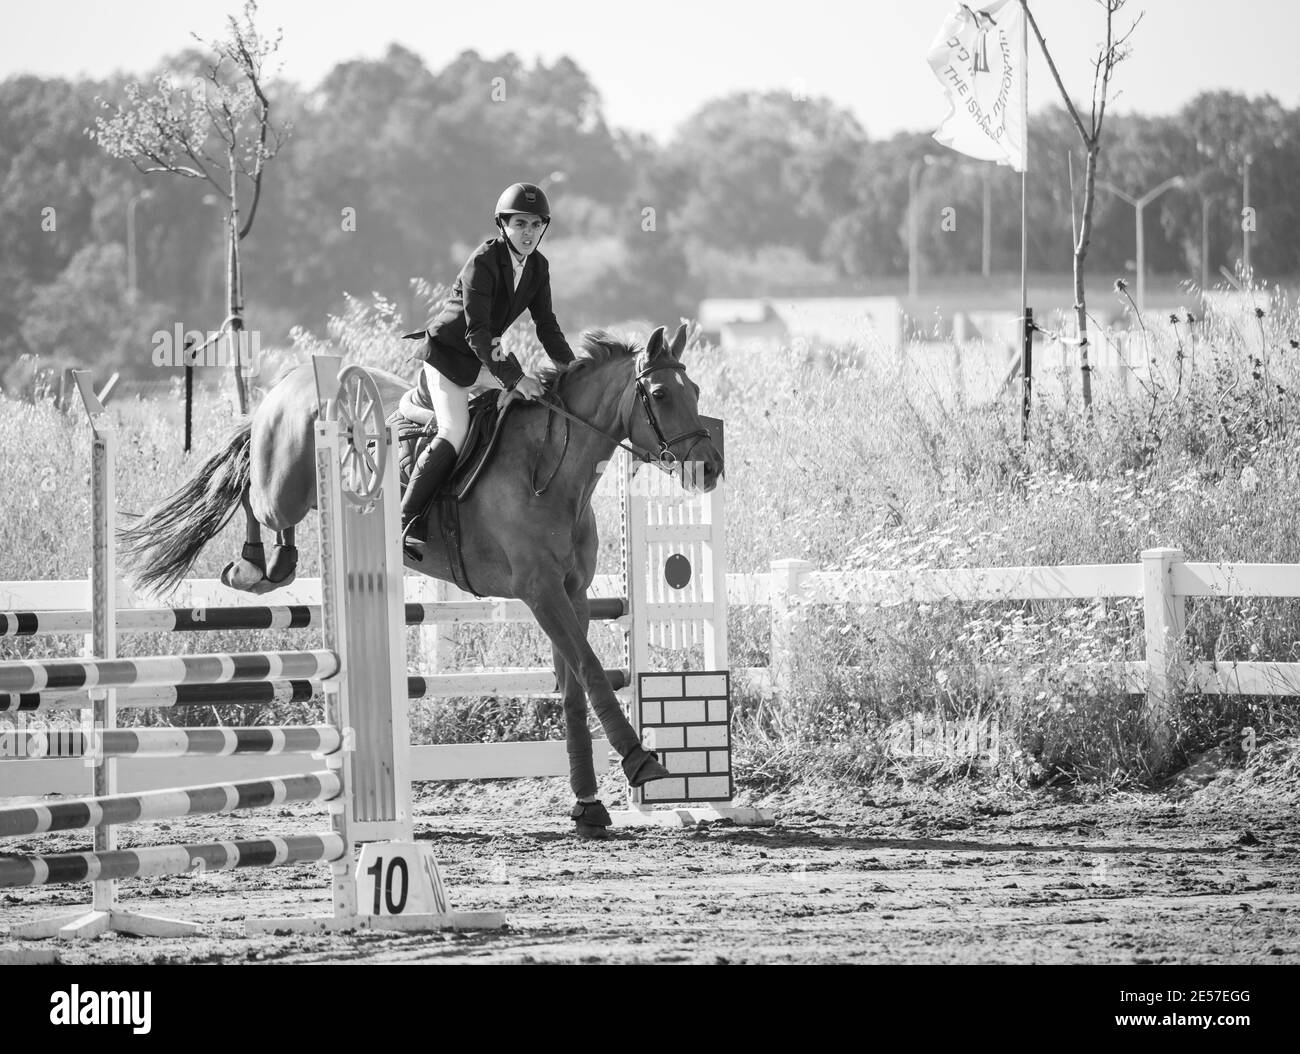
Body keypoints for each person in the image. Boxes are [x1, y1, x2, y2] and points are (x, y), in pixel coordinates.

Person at [401, 182, 575, 548]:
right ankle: (407, 518)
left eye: (535, 225)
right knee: (455, 430)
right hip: (448, 358)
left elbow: (547, 326)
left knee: (526, 410)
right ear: (503, 225)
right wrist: (515, 378)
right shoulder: (483, 261)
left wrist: (572, 370)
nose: (528, 232)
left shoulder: (538, 267)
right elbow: (478, 333)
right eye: (520, 224)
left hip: (480, 360)